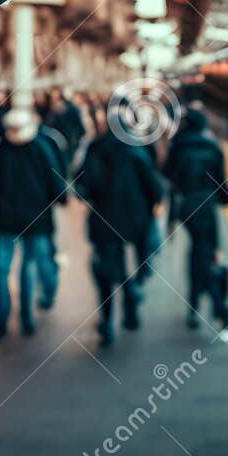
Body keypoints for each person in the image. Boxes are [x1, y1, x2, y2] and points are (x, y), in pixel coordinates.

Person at [76, 106, 164, 347]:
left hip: (104, 222)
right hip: (135, 220)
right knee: (128, 264)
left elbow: (82, 185)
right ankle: (131, 302)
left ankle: (106, 322)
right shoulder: (137, 149)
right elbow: (155, 187)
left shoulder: (95, 149)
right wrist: (152, 205)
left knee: (105, 269)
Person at [0, 109, 67, 341]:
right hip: (29, 220)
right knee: (23, 268)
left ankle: (7, 318)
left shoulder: (3, 151)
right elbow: (56, 181)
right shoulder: (41, 148)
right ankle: (21, 317)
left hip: (11, 219)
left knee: (4, 269)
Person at [165, 108, 228, 341]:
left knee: (197, 252)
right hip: (207, 208)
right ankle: (220, 312)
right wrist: (225, 199)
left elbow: (168, 175)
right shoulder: (212, 148)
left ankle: (194, 307)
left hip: (188, 208)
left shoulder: (179, 147)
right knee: (210, 255)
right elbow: (223, 189)